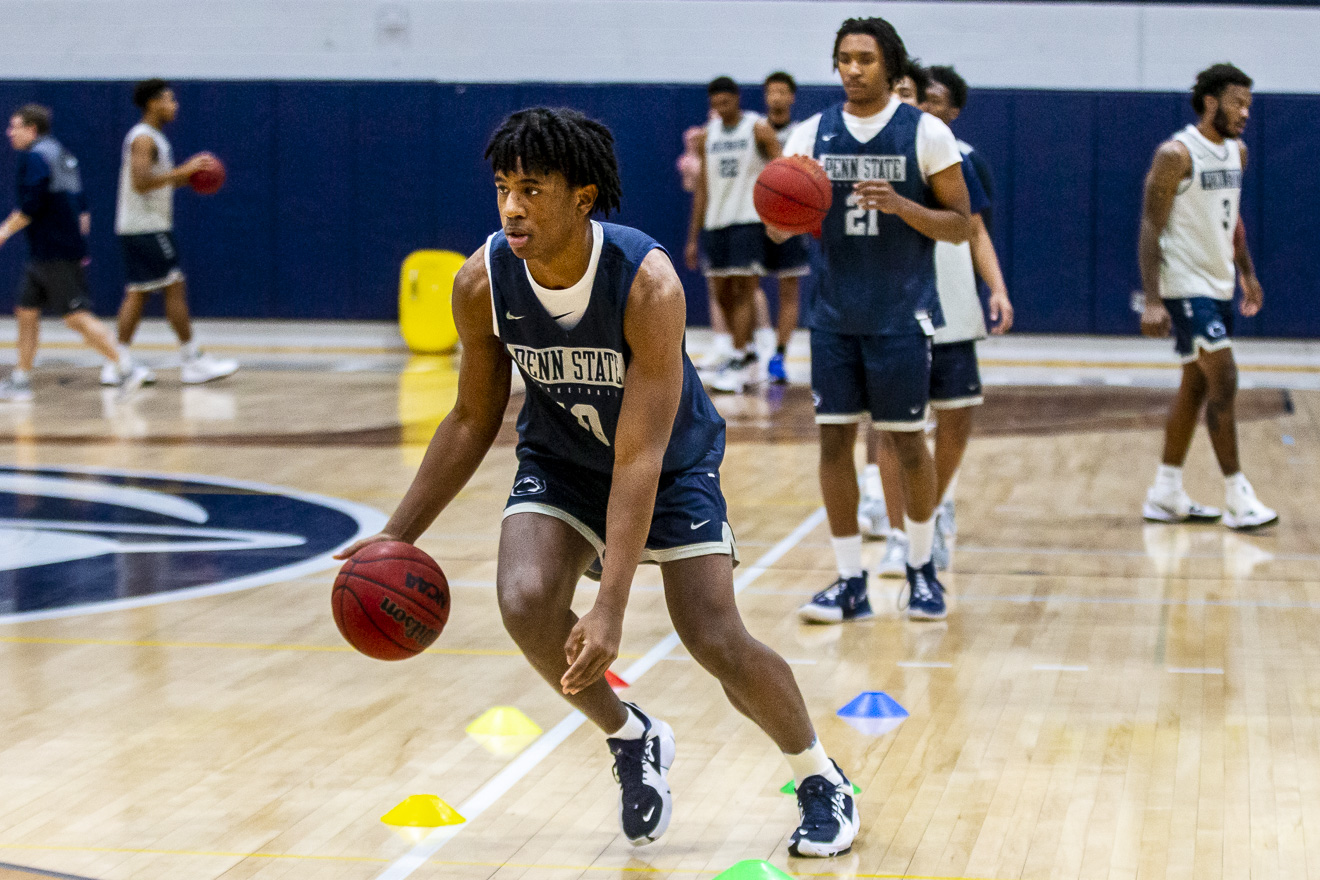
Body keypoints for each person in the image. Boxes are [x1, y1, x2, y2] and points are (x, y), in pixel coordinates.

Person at [337, 107, 859, 857]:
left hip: (668, 465)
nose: (512, 207)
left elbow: (639, 455)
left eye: (532, 190)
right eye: (502, 188)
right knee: (524, 601)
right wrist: (396, 535)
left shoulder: (648, 284)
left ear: (583, 197)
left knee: (713, 635)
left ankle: (819, 777)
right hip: (560, 460)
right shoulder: (481, 282)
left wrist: (611, 605)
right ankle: (631, 735)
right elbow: (470, 418)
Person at [775, 17, 971, 624]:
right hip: (834, 316)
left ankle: (921, 571)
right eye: (844, 58)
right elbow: (778, 228)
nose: (853, 69)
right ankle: (849, 582)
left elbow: (959, 225)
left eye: (865, 58)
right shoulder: (810, 134)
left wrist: (902, 204)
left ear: (890, 65)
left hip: (901, 316)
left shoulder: (926, 132)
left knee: (908, 443)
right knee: (834, 442)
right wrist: (785, 214)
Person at [861, 63, 1015, 575]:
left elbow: (975, 229)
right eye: (906, 94)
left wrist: (997, 288)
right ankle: (897, 534)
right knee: (892, 428)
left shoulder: (957, 157)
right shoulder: (870, 157)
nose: (916, 103)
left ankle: (935, 502)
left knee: (957, 416)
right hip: (893, 308)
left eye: (919, 95)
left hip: (953, 304)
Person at [1138, 63, 1276, 529]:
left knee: (1195, 386)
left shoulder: (1238, 152)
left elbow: (1231, 218)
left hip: (1218, 285)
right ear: (1211, 102)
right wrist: (1152, 299)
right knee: (1225, 378)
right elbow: (1150, 226)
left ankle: (1165, 492)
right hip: (1184, 286)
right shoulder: (1176, 154)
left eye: (1249, 105)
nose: (1246, 113)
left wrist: (1247, 273)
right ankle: (1238, 497)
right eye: (1238, 103)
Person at [0, 104, 148, 401]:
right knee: (26, 312)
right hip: (47, 250)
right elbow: (82, 209)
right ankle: (21, 379)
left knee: (76, 317)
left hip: (55, 252)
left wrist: (3, 232)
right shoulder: (60, 154)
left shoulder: (36, 157)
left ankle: (127, 368)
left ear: (32, 129)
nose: (9, 132)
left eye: (14, 126)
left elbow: (30, 206)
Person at [111, 78, 237, 386]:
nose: (175, 105)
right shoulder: (144, 138)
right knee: (174, 286)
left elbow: (159, 180)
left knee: (138, 292)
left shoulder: (154, 137)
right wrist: (183, 171)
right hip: (147, 226)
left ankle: (116, 362)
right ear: (153, 103)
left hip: (140, 226)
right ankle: (192, 360)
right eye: (169, 100)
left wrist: (192, 176)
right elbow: (141, 183)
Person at [685, 77, 782, 394]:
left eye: (725, 102)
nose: (721, 108)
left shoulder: (757, 128)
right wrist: (693, 237)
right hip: (716, 223)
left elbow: (783, 171)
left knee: (745, 290)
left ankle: (739, 357)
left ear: (738, 99)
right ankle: (748, 351)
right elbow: (702, 189)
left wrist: (777, 215)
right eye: (715, 104)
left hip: (748, 220)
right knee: (722, 294)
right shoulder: (706, 137)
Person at [760, 71, 811, 384]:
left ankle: (779, 354)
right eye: (771, 92)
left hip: (790, 220)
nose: (776, 97)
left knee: (789, 288)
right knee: (744, 285)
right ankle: (750, 348)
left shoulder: (801, 134)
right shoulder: (753, 129)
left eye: (782, 92)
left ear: (792, 97)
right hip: (754, 218)